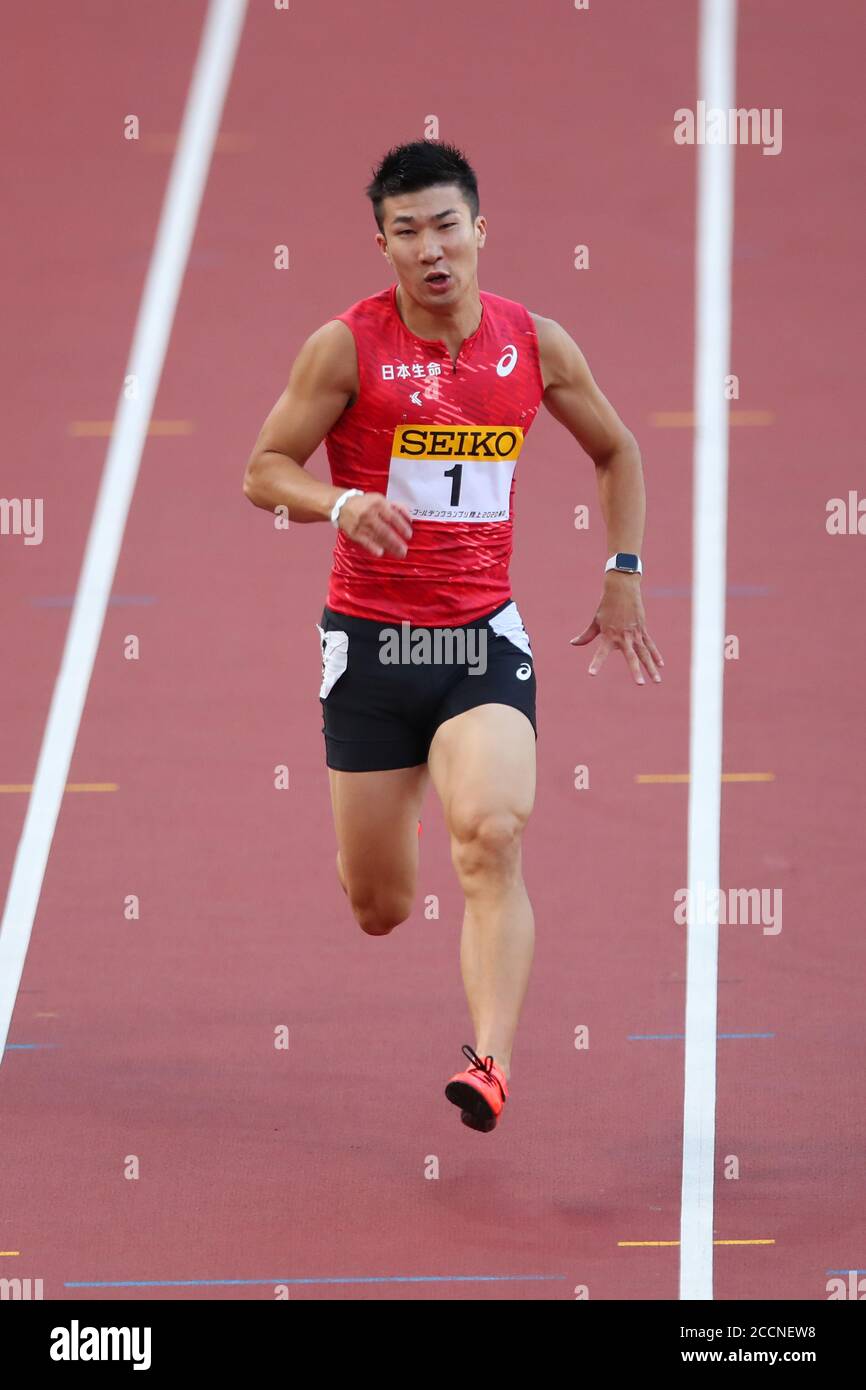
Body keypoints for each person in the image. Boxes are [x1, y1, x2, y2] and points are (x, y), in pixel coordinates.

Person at [244, 140, 663, 1134]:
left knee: (490, 834)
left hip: (478, 641)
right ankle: (398, 804)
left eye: (445, 225)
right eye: (407, 232)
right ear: (382, 245)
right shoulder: (343, 348)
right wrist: (337, 500)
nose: (430, 248)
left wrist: (623, 570)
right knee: (379, 904)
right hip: (373, 650)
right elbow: (263, 467)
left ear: (479, 229)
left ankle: (490, 1062)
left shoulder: (534, 343)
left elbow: (615, 447)